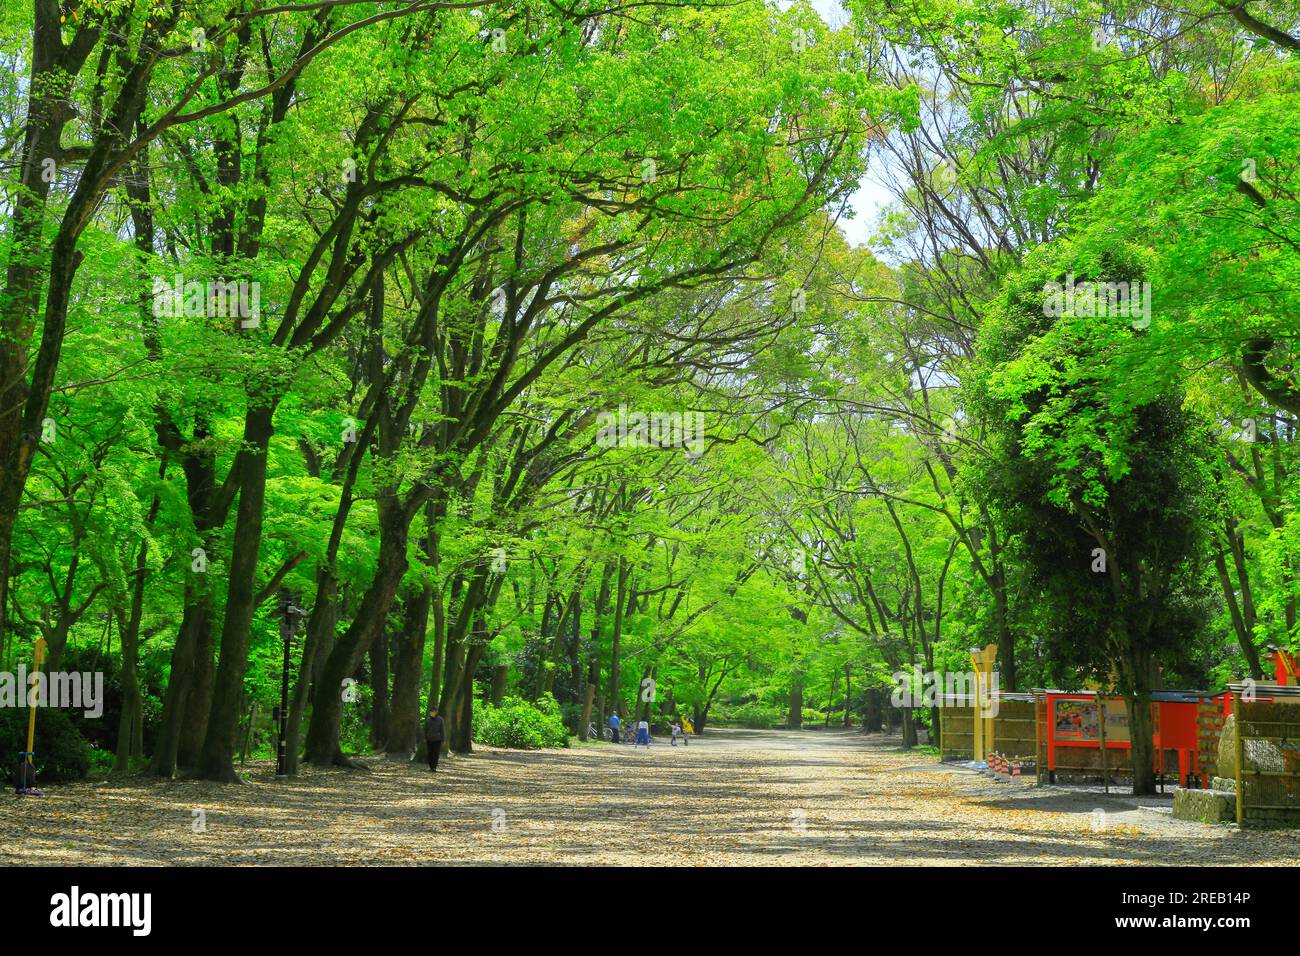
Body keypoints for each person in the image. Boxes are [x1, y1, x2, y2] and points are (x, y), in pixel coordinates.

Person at [424, 706, 445, 772]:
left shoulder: (440, 719)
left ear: (436, 712)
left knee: (436, 753)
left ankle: (434, 767)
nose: (432, 713)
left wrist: (443, 739)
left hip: (437, 739)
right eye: (431, 711)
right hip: (429, 739)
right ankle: (431, 767)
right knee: (430, 753)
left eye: (433, 711)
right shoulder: (428, 720)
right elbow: (425, 730)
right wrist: (425, 737)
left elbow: (442, 730)